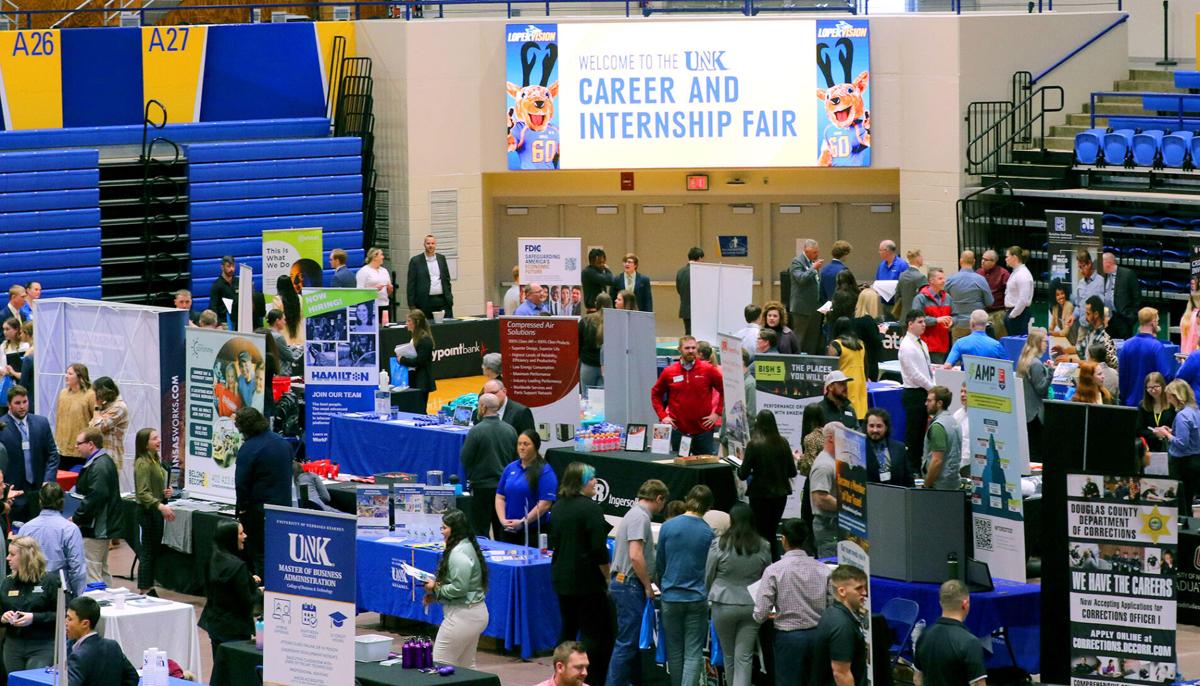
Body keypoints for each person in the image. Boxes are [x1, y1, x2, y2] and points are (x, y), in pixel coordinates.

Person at [549, 463, 613, 686]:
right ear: (581, 482)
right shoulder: (590, 509)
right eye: (592, 479)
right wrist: (607, 576)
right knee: (593, 634)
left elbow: (553, 541)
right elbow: (599, 549)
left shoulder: (558, 506)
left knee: (567, 628)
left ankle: (560, 676)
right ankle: (590, 680)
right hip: (586, 581)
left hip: (562, 578)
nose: (595, 482)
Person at [606, 479, 668, 686]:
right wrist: (648, 586)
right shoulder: (639, 517)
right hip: (629, 584)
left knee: (630, 642)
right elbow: (635, 555)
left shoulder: (634, 515)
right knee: (627, 642)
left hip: (626, 584)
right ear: (659, 498)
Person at [753, 518, 830, 686]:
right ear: (807, 539)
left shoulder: (774, 570)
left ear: (784, 540)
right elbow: (831, 606)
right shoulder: (823, 570)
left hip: (789, 639)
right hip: (819, 636)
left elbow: (760, 613)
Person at [705, 503, 770, 686]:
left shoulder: (718, 544)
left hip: (723, 602)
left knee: (728, 654)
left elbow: (709, 573)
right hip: (751, 605)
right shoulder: (764, 545)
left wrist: (710, 593)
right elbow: (767, 576)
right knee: (745, 656)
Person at [656, 486, 715, 686]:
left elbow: (660, 563)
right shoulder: (708, 532)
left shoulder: (668, 527)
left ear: (687, 499)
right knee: (693, 652)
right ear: (708, 506)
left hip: (670, 596)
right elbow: (710, 568)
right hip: (697, 597)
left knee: (674, 650)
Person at [425, 509, 489, 668]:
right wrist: (436, 596)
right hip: (473, 614)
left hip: (463, 617)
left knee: (439, 665)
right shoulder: (467, 545)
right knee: (466, 667)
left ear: (455, 529)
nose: (442, 532)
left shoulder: (458, 553)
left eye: (444, 528)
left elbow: (459, 588)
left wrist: (435, 588)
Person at [233, 407, 293, 577]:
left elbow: (241, 483)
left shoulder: (249, 449)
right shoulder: (283, 443)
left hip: (257, 511)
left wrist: (242, 508)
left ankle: (262, 593)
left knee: (258, 553)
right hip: (283, 509)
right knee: (278, 552)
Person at [198, 519, 259, 685]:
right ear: (230, 538)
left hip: (215, 623)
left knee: (220, 668)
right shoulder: (238, 567)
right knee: (236, 674)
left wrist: (248, 581)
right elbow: (247, 600)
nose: (244, 536)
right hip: (235, 628)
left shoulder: (211, 560)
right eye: (240, 533)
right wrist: (256, 590)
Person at [738, 410, 797, 559]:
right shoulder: (783, 442)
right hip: (780, 495)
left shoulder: (754, 444)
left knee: (760, 531)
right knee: (772, 530)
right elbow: (792, 472)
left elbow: (742, 474)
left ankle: (762, 563)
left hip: (759, 495)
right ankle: (775, 560)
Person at [651, 336, 724, 455]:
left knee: (705, 468)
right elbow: (655, 393)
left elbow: (724, 390)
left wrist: (717, 413)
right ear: (679, 349)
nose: (691, 351)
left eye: (693, 348)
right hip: (679, 430)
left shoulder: (708, 369)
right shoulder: (669, 371)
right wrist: (663, 416)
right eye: (687, 348)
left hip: (703, 431)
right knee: (680, 468)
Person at [0, 536, 60, 671]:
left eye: (12, 554)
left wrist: (34, 618)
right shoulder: (7, 583)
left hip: (42, 645)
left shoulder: (50, 581)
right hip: (13, 646)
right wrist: (3, 617)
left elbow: (62, 615)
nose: (7, 558)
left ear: (26, 557)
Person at [461, 393, 516, 539]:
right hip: (504, 488)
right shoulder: (510, 430)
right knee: (501, 528)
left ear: (483, 407)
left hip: (481, 487)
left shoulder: (476, 431)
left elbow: (465, 458)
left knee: (480, 530)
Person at [914, 580, 987, 686]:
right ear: (965, 604)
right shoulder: (970, 642)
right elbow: (978, 684)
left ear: (940, 603)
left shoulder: (924, 636)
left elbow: (917, 678)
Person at [0, 385, 56, 523]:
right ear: (9, 404)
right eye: (17, 403)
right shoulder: (1, 426)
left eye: (25, 402)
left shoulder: (41, 423)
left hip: (38, 492)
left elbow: (53, 454)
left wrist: (48, 479)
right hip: (13, 494)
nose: (22, 406)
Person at [19, 483, 86, 597]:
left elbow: (19, 562)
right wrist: (77, 595)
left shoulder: (25, 528)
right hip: (59, 592)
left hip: (29, 592)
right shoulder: (70, 529)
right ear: (62, 502)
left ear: (40, 501)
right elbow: (77, 569)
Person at [73, 428, 120, 585]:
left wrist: (77, 516)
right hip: (101, 526)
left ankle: (98, 606)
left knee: (92, 569)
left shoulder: (99, 466)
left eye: (79, 443)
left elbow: (95, 496)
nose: (76, 447)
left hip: (95, 527)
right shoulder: (103, 461)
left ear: (91, 444)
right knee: (102, 568)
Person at [496, 429, 557, 545]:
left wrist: (523, 522)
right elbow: (500, 497)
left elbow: (545, 504)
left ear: (535, 446)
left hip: (532, 532)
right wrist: (503, 520)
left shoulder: (545, 471)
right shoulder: (510, 468)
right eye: (519, 444)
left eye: (526, 444)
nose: (521, 447)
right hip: (508, 530)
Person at [813, 565, 870, 686]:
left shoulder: (832, 612)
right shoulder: (842, 625)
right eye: (859, 588)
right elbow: (841, 674)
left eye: (865, 587)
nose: (864, 593)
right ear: (842, 591)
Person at [133, 428, 173, 595]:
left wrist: (166, 492)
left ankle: (148, 586)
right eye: (154, 438)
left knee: (153, 549)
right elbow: (142, 493)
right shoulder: (142, 463)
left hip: (155, 510)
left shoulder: (155, 460)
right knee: (147, 551)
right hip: (147, 512)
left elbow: (154, 485)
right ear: (145, 443)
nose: (158, 441)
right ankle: (144, 587)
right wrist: (160, 506)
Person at [65, 596, 139, 686]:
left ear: (85, 623)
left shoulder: (78, 656)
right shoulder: (113, 646)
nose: (66, 623)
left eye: (69, 619)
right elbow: (133, 676)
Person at [1153, 380, 1200, 516]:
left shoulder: (1182, 415)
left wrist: (1167, 434)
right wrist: (1173, 431)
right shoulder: (1195, 411)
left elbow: (1181, 444)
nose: (1168, 399)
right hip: (1195, 460)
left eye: (1169, 396)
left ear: (1176, 396)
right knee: (1188, 498)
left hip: (1182, 463)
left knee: (1180, 501)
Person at [900, 309, 935, 472]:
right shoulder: (906, 346)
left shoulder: (922, 343)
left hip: (924, 391)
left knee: (922, 433)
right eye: (920, 322)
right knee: (913, 435)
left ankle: (918, 466)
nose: (924, 325)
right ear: (910, 324)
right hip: (914, 393)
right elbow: (914, 374)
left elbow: (926, 369)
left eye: (924, 321)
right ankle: (912, 469)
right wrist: (932, 387)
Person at [1118, 307, 1176, 407]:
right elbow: (1165, 375)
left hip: (1129, 404)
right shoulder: (1156, 347)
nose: (1157, 324)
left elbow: (1122, 376)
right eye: (1157, 321)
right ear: (1153, 322)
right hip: (1150, 405)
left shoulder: (1126, 345)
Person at [1053, 296, 1118, 370]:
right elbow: (1080, 348)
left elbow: (1094, 365)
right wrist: (1064, 350)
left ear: (1096, 314)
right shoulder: (1092, 331)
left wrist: (1071, 361)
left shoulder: (1103, 337)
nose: (1086, 317)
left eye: (1088, 314)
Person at [89, 376, 129, 491]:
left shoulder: (119, 407)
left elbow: (98, 427)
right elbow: (91, 428)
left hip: (111, 457)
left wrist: (96, 409)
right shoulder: (106, 406)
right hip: (99, 454)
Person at [1017, 329, 1051, 461]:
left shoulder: (1024, 359)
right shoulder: (1036, 363)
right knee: (1037, 450)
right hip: (1036, 413)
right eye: (1045, 342)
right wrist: (1051, 373)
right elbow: (1041, 389)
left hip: (1027, 411)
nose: (1046, 345)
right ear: (1037, 342)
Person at [944, 252, 993, 341]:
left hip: (958, 323)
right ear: (974, 261)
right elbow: (990, 302)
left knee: (959, 351)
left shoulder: (951, 279)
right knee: (977, 352)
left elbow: (943, 300)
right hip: (978, 324)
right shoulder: (980, 279)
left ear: (960, 261)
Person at [809, 422, 841, 556]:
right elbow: (820, 499)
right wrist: (849, 508)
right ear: (831, 438)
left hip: (834, 524)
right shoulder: (824, 465)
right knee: (832, 568)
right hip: (828, 526)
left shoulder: (834, 460)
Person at [789, 239, 825, 355]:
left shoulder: (811, 261)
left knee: (813, 338)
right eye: (814, 252)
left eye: (817, 252)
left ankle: (812, 361)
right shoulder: (797, 262)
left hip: (815, 307)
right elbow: (801, 279)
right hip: (801, 308)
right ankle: (795, 361)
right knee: (799, 338)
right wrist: (813, 268)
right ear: (806, 251)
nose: (817, 254)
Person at [923, 386, 962, 490]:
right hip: (953, 482)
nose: (926, 404)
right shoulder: (953, 421)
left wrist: (926, 484)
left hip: (939, 486)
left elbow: (936, 460)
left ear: (939, 403)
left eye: (929, 401)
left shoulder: (938, 426)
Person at [398, 310, 437, 412]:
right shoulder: (416, 338)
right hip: (416, 379)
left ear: (416, 322)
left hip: (422, 381)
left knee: (420, 410)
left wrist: (402, 360)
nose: (407, 323)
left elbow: (420, 361)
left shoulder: (424, 340)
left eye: (409, 321)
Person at [828, 319, 867, 420]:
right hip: (860, 384)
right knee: (859, 415)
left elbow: (830, 367)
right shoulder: (861, 344)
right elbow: (866, 365)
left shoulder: (836, 344)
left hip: (843, 384)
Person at [913, 268, 954, 363]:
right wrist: (936, 320)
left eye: (944, 278)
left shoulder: (948, 297)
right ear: (931, 281)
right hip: (927, 346)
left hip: (945, 345)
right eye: (940, 278)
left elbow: (955, 315)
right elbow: (916, 319)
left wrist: (952, 321)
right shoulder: (920, 298)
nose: (944, 281)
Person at [864, 408, 911, 486]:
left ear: (886, 427)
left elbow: (908, 479)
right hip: (871, 495)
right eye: (871, 426)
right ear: (866, 427)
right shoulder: (859, 449)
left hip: (896, 495)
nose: (875, 430)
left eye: (879, 426)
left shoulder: (899, 448)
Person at [1103, 252, 1141, 340]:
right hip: (1108, 318)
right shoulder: (1103, 276)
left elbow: (1136, 297)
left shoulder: (1127, 274)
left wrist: (1132, 317)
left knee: (1123, 346)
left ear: (1108, 263)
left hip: (1123, 318)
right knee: (1108, 346)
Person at [1138, 371, 1175, 454]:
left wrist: (1167, 432)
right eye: (1150, 388)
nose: (1153, 390)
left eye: (1156, 387)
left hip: (1169, 448)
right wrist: (1154, 433)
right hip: (1149, 449)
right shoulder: (1142, 405)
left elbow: (1177, 427)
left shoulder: (1172, 404)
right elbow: (1139, 429)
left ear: (1163, 386)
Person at [852, 289, 885, 381]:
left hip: (859, 359)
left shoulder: (854, 318)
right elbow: (876, 341)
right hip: (869, 360)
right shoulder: (868, 320)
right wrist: (882, 332)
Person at [1069, 249, 1106, 332]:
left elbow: (1106, 308)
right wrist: (1073, 316)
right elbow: (1079, 305)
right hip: (1082, 329)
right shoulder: (1080, 283)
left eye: (1083, 266)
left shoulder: (1101, 282)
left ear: (1089, 263)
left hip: (1096, 329)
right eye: (1079, 267)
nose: (1081, 270)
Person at [976, 249, 1009, 336]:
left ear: (993, 261)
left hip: (997, 313)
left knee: (999, 340)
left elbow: (1009, 293)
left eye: (986, 260)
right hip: (981, 313)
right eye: (982, 258)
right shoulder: (978, 272)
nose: (982, 261)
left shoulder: (1003, 274)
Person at [579, 293, 609, 389]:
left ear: (597, 304)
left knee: (586, 398)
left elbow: (578, 343)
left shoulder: (585, 320)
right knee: (604, 399)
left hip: (588, 364)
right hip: (607, 366)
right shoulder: (614, 320)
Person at [1004, 246, 1034, 337]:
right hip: (1014, 313)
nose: (1006, 259)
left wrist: (1012, 315)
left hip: (1018, 315)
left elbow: (1023, 300)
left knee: (1018, 345)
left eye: (1007, 256)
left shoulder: (1022, 274)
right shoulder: (1016, 272)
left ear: (1015, 257)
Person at [360, 246, 396, 322]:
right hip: (371, 306)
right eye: (381, 255)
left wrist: (390, 289)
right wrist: (373, 289)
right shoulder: (364, 271)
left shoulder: (384, 271)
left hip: (384, 305)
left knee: (385, 328)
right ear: (374, 257)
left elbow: (388, 293)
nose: (383, 257)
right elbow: (359, 291)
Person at [894, 248, 928, 320]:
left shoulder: (902, 275)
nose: (922, 259)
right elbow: (926, 301)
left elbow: (897, 296)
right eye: (921, 257)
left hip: (903, 318)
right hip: (916, 319)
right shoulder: (921, 277)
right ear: (917, 259)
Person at [677, 247, 703, 335]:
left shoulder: (680, 272)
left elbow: (679, 290)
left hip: (685, 310)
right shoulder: (700, 271)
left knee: (688, 334)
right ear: (699, 258)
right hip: (699, 309)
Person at [819, 240, 852, 304]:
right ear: (845, 253)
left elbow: (821, 292)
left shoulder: (824, 269)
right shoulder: (844, 270)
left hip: (828, 307)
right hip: (841, 308)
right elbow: (848, 293)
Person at [209, 256, 237, 327]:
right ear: (222, 267)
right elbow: (213, 307)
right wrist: (219, 324)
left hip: (238, 320)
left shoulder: (239, 282)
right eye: (228, 266)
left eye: (233, 266)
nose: (231, 269)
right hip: (224, 322)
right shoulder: (217, 285)